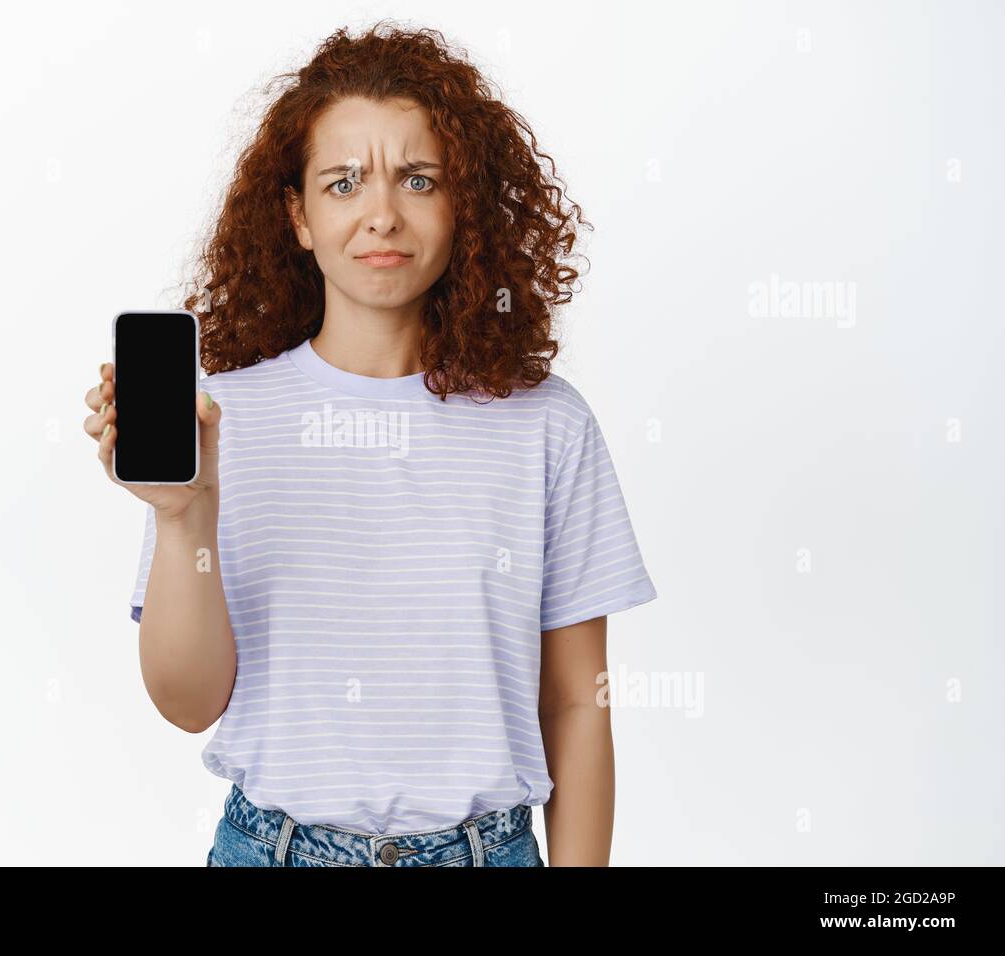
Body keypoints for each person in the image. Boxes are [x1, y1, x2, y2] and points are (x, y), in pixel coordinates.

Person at [83, 21, 657, 867]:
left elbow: (577, 702)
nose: (381, 213)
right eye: (343, 183)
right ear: (299, 215)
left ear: (461, 203)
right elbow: (188, 702)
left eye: (417, 179)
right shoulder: (221, 423)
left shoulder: (547, 425)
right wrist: (183, 519)